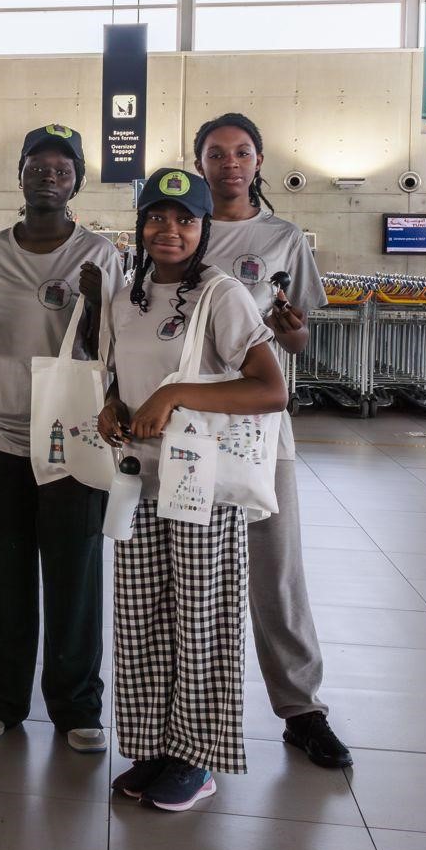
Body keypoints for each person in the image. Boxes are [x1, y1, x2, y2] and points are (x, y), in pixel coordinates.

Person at [98, 167, 287, 811]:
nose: (169, 230)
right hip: (140, 482)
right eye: (156, 216)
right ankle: (153, 746)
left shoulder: (222, 294)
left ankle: (196, 758)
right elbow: (118, 374)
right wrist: (110, 405)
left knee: (202, 620)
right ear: (140, 224)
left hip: (201, 487)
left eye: (184, 219)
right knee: (142, 618)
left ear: (204, 228)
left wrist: (176, 391)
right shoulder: (127, 294)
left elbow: (270, 389)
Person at [0, 125, 125, 750]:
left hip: (74, 438)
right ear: (20, 173)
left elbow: (109, 353)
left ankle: (77, 705)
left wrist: (88, 318)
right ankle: (1, 695)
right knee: (3, 570)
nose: (49, 175)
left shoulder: (100, 256)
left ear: (76, 179)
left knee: (74, 572)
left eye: (62, 167)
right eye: (38, 165)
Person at [192, 112, 350, 769]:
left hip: (260, 425)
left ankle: (300, 706)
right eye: (217, 153)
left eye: (242, 152)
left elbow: (299, 332)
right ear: (199, 162)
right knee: (192, 566)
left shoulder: (283, 237)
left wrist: (292, 336)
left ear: (259, 162)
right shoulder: (182, 227)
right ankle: (192, 710)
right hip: (192, 423)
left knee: (275, 565)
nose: (230, 163)